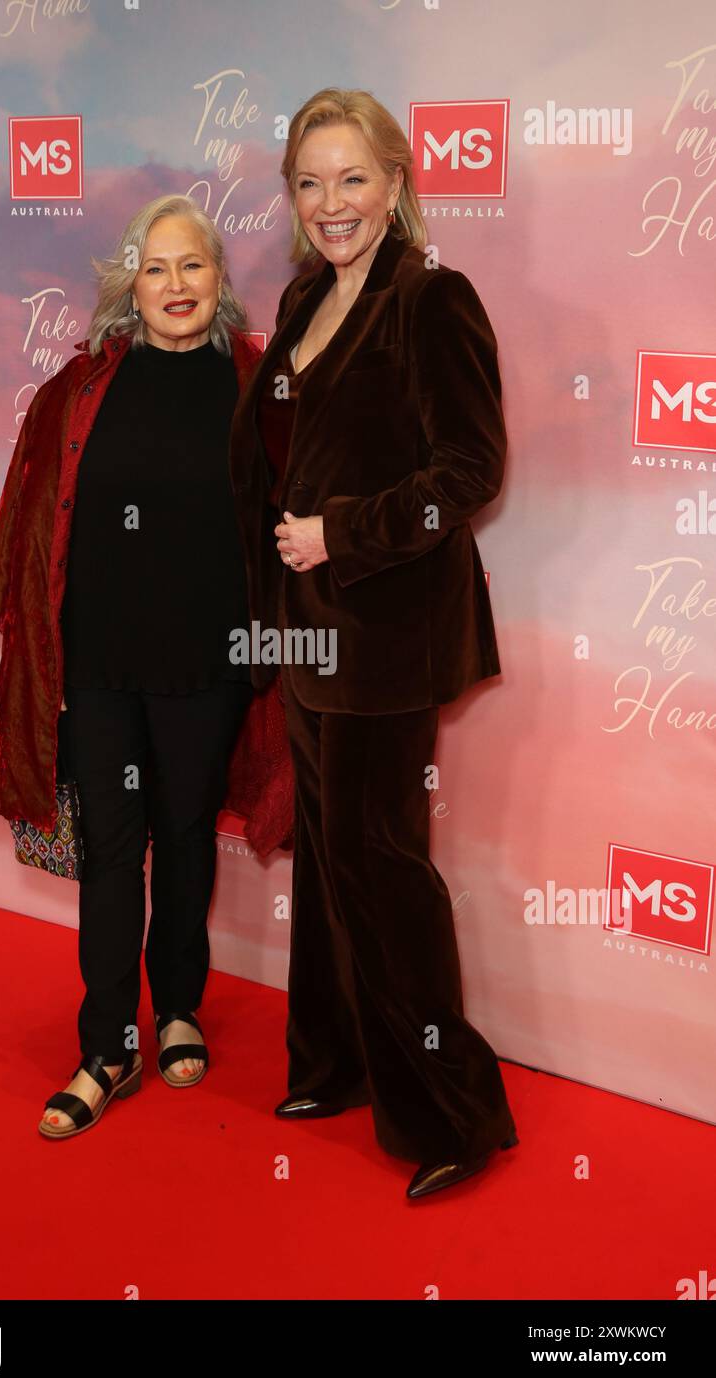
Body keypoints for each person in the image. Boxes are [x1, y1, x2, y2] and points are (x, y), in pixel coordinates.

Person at [228, 89, 518, 1199]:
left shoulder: (429, 299)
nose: (330, 203)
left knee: (378, 864)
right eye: (309, 182)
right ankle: (337, 1060)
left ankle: (452, 1108)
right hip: (304, 636)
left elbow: (465, 474)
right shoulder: (306, 295)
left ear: (394, 184)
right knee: (333, 856)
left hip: (385, 634)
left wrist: (338, 533)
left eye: (351, 179)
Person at [0, 194, 291, 1139]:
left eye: (193, 266)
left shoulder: (257, 385)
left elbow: (290, 516)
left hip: (211, 663)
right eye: (157, 269)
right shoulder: (80, 389)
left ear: (219, 281)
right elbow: (35, 523)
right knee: (113, 848)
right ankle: (107, 1046)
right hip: (101, 665)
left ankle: (180, 1004)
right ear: (131, 286)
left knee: (187, 835)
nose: (176, 285)